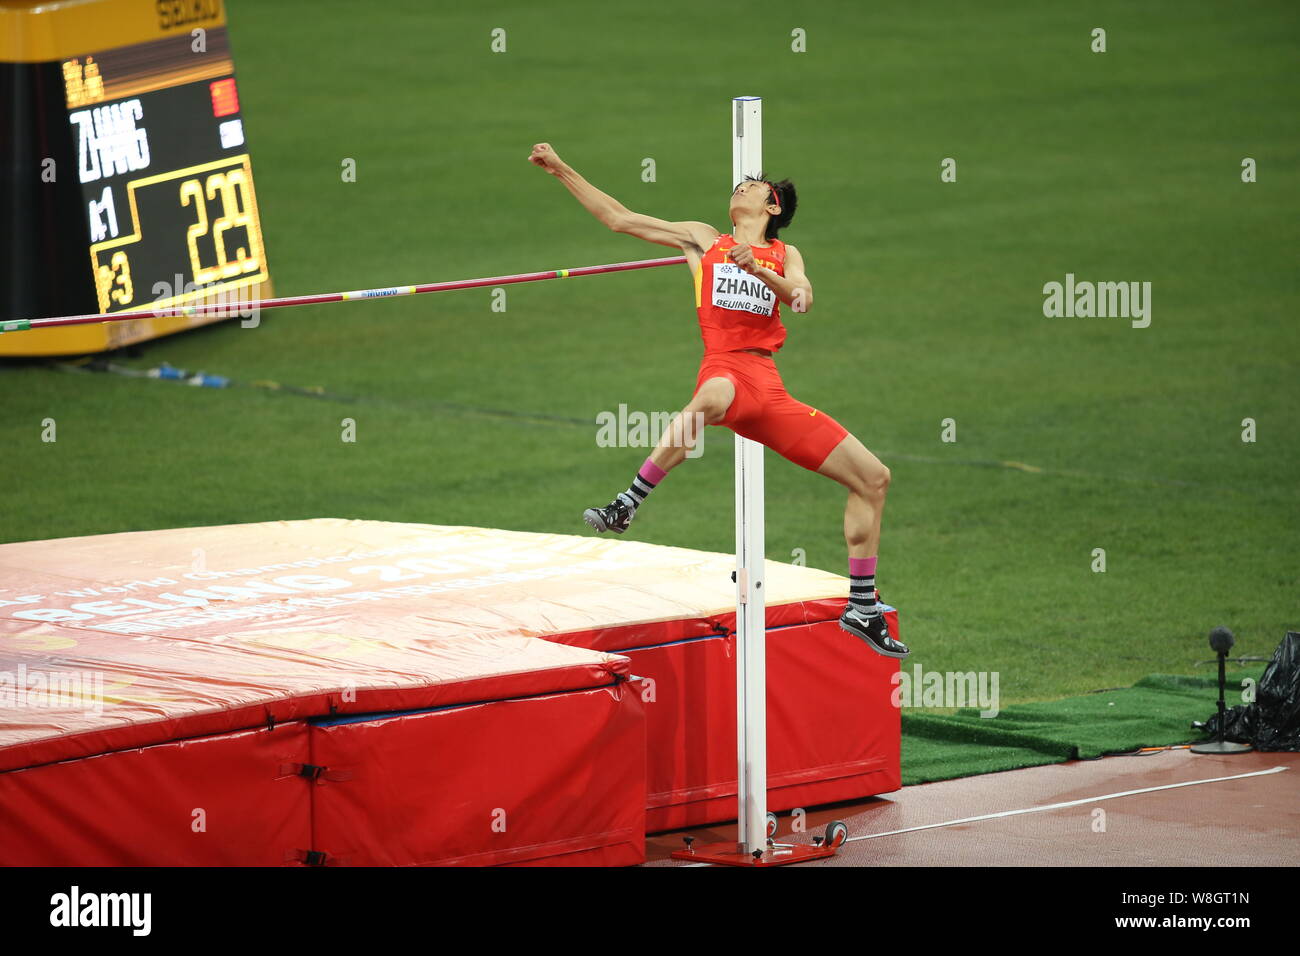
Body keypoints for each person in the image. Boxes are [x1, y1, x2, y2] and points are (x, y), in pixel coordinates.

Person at [529, 143, 908, 659]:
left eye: (751, 185)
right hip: (726, 367)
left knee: (874, 477)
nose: (739, 187)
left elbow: (802, 300)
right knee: (712, 395)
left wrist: (760, 270)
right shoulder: (703, 240)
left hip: (769, 389)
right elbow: (618, 218)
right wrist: (560, 170)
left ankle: (861, 607)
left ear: (772, 206)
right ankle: (628, 503)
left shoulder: (785, 254)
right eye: (738, 185)